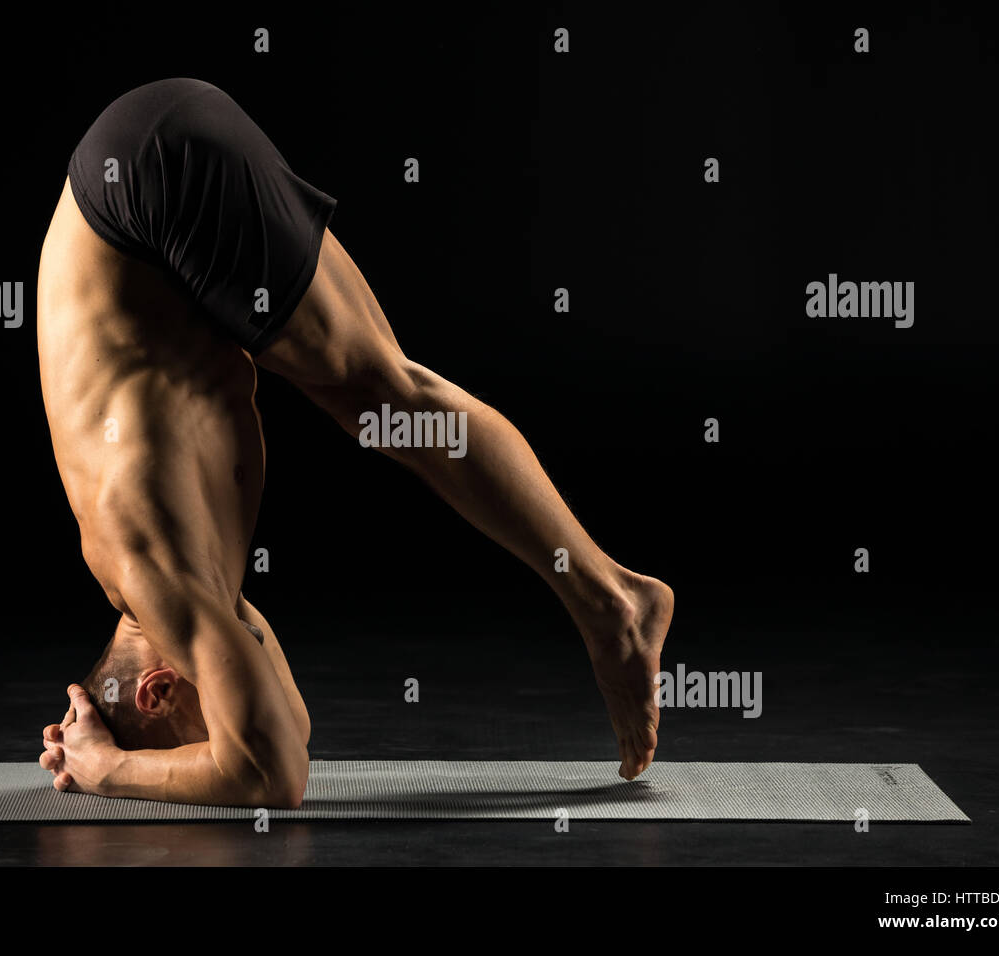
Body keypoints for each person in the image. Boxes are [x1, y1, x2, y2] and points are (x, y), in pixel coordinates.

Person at [37, 78, 673, 808]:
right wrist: (108, 727)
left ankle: (612, 600)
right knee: (375, 403)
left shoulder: (158, 572)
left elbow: (267, 772)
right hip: (137, 176)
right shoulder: (178, 593)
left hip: (148, 179)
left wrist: (108, 769)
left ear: (156, 690)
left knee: (386, 395)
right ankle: (609, 597)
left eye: (197, 743)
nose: (207, 759)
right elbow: (289, 729)